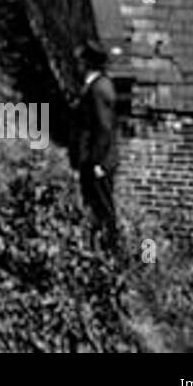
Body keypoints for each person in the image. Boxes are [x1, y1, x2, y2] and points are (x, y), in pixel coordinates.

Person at [69, 40, 119, 246]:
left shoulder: (99, 88)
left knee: (102, 208)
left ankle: (110, 251)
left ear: (88, 63)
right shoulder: (94, 86)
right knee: (92, 206)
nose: (78, 65)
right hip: (90, 159)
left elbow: (104, 127)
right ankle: (97, 248)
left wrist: (97, 162)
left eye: (81, 60)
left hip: (97, 161)